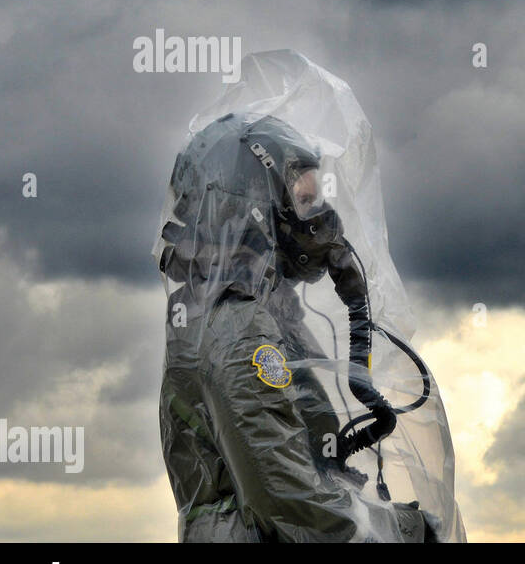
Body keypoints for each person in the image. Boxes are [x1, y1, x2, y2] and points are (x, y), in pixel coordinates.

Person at [156, 112, 432, 542]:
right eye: (305, 202)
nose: (321, 223)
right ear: (249, 209)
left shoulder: (247, 314)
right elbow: (291, 502)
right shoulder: (237, 326)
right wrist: (408, 530)